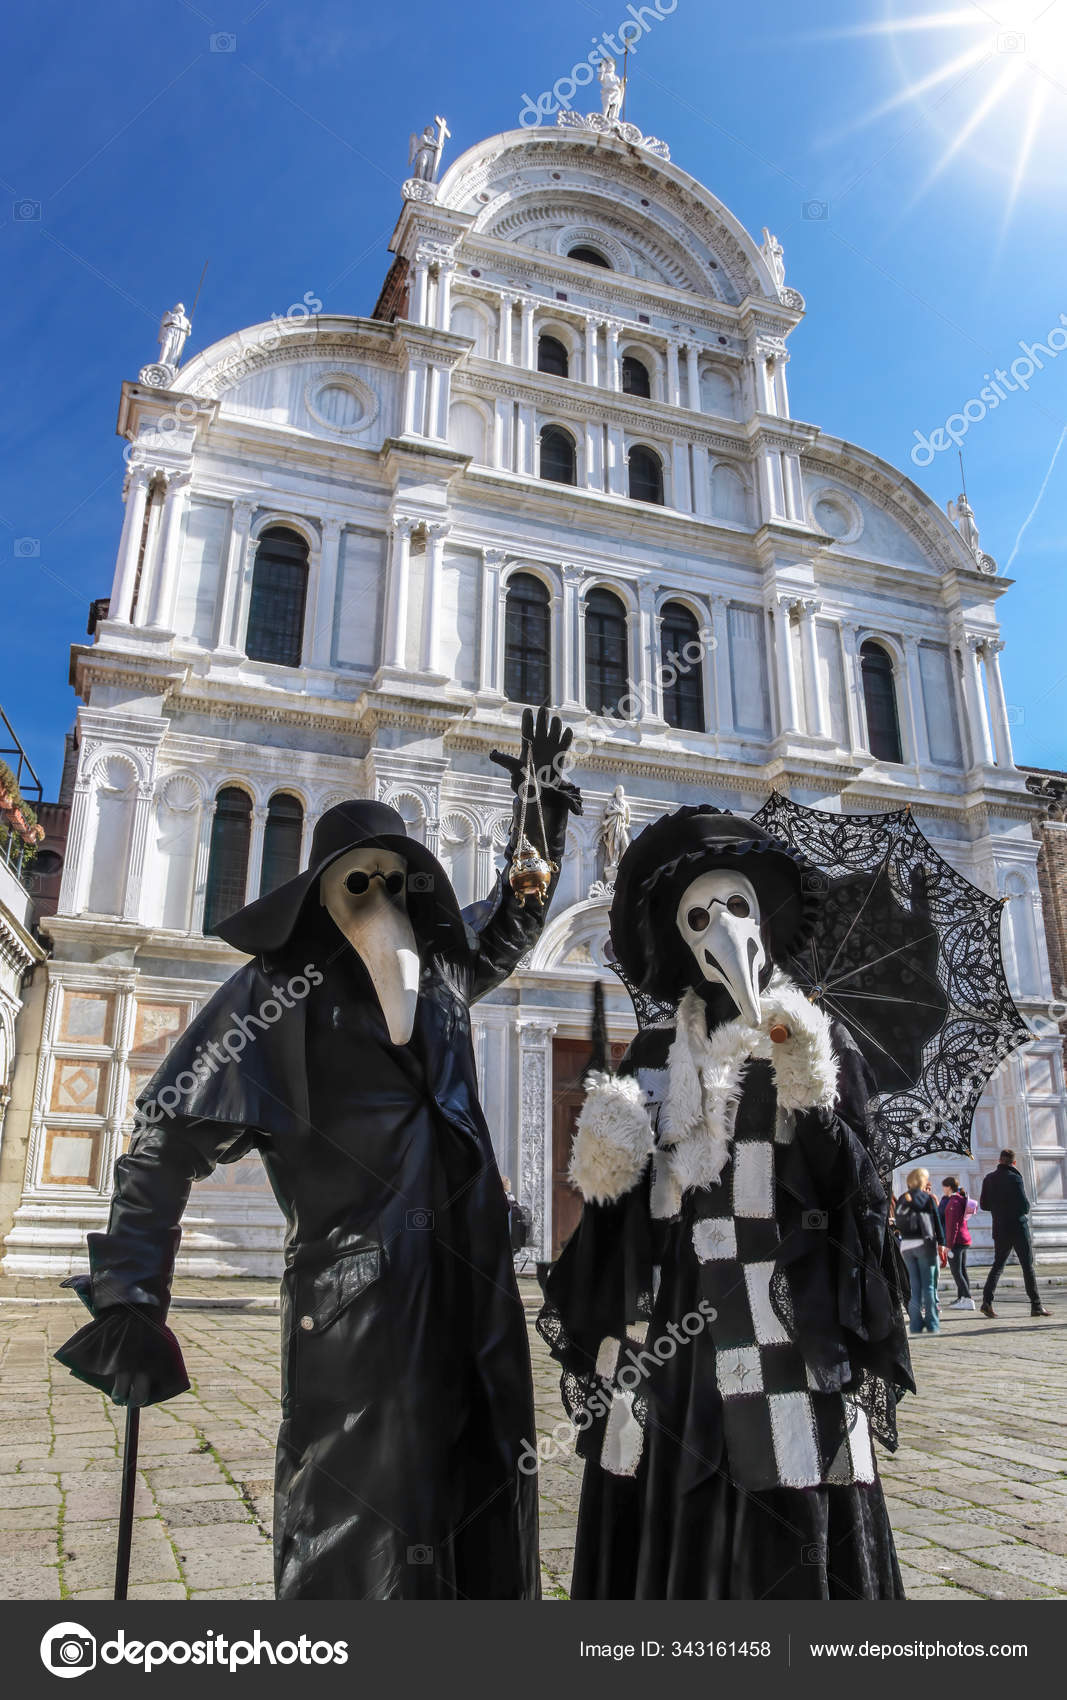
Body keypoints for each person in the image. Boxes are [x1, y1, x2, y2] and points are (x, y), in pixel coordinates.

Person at [54, 708, 582, 1600]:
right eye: (357, 884)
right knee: (357, 1502)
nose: (379, 901)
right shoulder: (275, 994)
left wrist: (535, 823)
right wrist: (132, 1294)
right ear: (322, 894)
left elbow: (510, 916)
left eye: (394, 883)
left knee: (480, 1476)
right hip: (354, 1290)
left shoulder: (443, 974)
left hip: (471, 1278)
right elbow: (166, 1135)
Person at [539, 805, 913, 1600]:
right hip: (673, 1333)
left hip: (782, 1315)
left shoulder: (815, 1036)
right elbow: (622, 1222)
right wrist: (608, 1156)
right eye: (698, 917)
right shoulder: (651, 1053)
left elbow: (857, 1196)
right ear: (681, 939)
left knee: (784, 1474)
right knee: (664, 1475)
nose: (722, 929)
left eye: (736, 906)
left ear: (764, 919)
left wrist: (810, 1096)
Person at [979, 1149, 1051, 1319]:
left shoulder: (989, 1178)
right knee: (1027, 1266)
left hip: (1000, 1228)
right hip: (1018, 1228)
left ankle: (987, 1302)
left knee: (998, 1266)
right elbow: (1024, 1206)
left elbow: (984, 1205)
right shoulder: (1015, 1178)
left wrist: (998, 1209)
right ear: (1014, 1163)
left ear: (999, 1161)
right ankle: (1036, 1305)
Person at [895, 1169, 946, 1334]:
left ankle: (916, 1324)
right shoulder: (927, 1198)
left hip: (906, 1246)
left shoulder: (902, 1198)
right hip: (924, 1245)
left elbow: (898, 1223)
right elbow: (936, 1221)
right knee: (929, 1286)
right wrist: (942, 1242)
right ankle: (932, 1323)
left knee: (915, 1286)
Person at [941, 1176, 974, 1309]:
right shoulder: (960, 1199)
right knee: (962, 1270)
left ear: (949, 1187)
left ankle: (968, 1299)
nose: (943, 1189)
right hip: (964, 1239)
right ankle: (962, 1298)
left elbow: (952, 1226)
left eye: (944, 1186)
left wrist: (949, 1245)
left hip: (957, 1242)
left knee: (956, 1272)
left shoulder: (953, 1202)